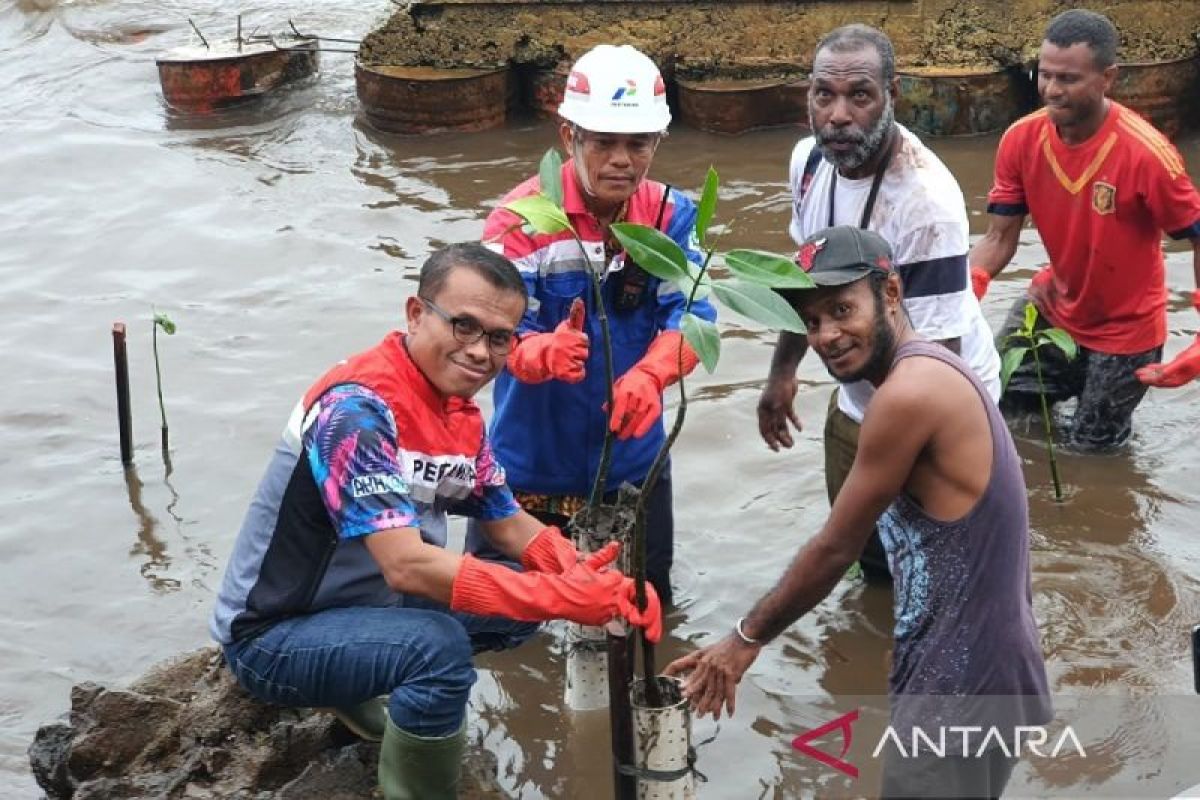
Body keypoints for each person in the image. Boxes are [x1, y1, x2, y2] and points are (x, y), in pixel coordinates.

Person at [209, 243, 661, 800]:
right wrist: (560, 598)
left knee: (521, 611)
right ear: (415, 313)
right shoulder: (357, 412)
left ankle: (377, 687)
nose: (480, 352)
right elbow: (406, 566)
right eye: (464, 326)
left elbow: (506, 519)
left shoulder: (459, 413)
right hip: (274, 634)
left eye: (499, 338)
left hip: (364, 607)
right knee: (439, 648)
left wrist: (588, 579)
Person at [667, 226, 1051, 799]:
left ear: (891, 292)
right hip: (978, 670)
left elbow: (836, 546)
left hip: (963, 686)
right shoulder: (922, 373)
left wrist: (742, 640)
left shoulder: (908, 395)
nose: (826, 335)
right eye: (811, 321)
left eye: (842, 309)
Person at [474, 44, 717, 609]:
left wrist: (652, 375)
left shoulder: (669, 216)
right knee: (504, 623)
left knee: (642, 607)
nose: (622, 161)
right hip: (529, 464)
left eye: (638, 144)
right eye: (604, 142)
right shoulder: (521, 220)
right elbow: (484, 336)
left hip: (633, 463)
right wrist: (536, 353)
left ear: (657, 143)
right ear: (569, 138)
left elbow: (696, 317)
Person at [758, 24, 1000, 583]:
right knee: (870, 562)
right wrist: (782, 373)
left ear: (892, 94)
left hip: (940, 404)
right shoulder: (810, 162)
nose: (839, 115)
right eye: (825, 94)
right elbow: (809, 279)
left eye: (859, 96)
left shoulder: (925, 202)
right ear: (809, 96)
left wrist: (891, 454)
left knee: (933, 569)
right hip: (860, 392)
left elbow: (936, 368)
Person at [971, 8, 1200, 450]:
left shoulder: (1147, 155)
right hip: (1053, 308)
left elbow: (1196, 234)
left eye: (1069, 79)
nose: (1052, 91)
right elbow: (999, 238)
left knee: (1093, 453)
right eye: (1045, 75)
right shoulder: (1020, 140)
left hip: (1126, 332)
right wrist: (965, 289)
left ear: (1107, 78)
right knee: (995, 414)